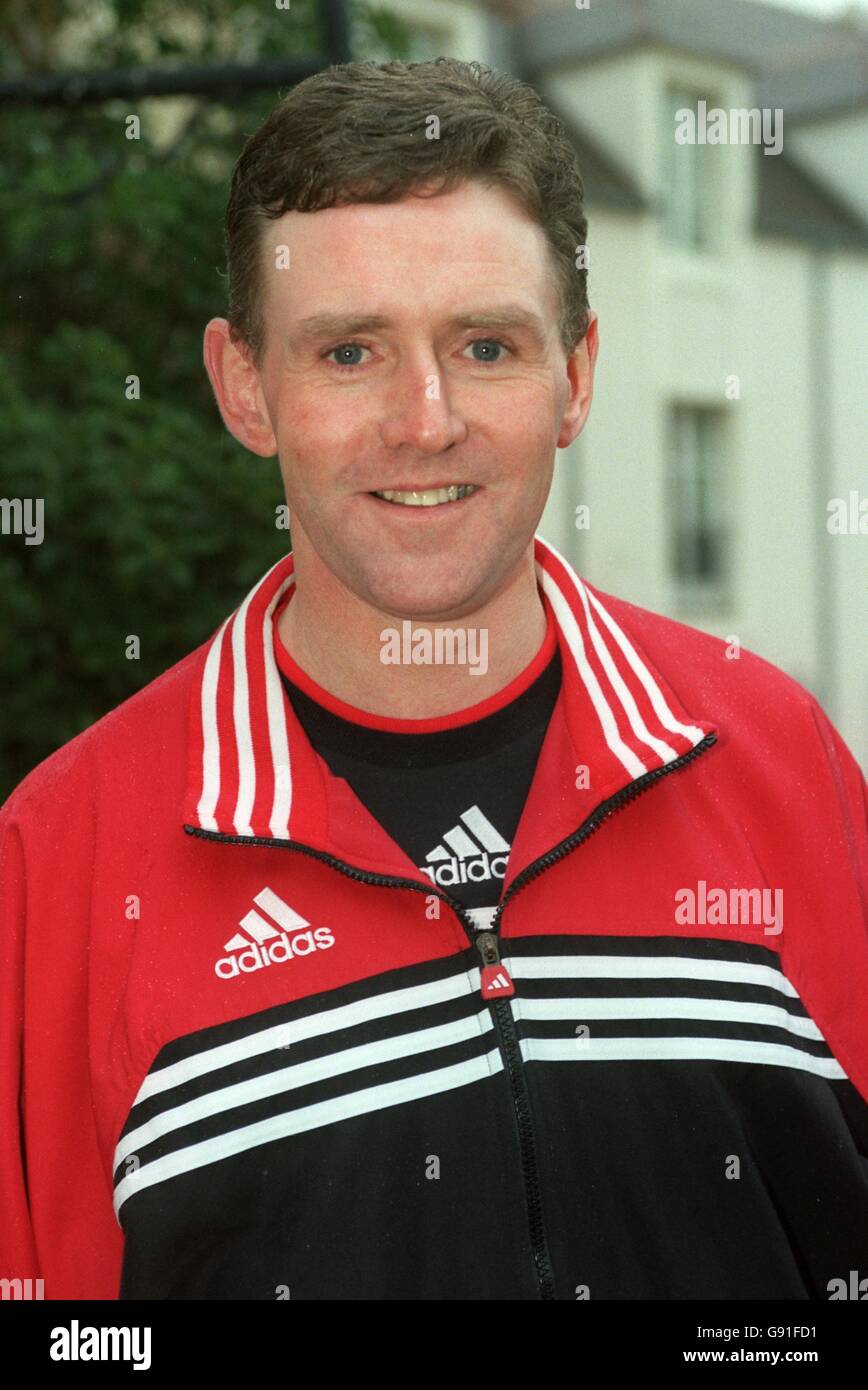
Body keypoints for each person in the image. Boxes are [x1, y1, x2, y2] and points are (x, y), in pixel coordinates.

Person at [1, 58, 866, 1302]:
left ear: (574, 374)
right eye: (348, 351)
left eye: (484, 344)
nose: (425, 419)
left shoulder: (780, 757)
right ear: (246, 387)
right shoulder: (53, 864)